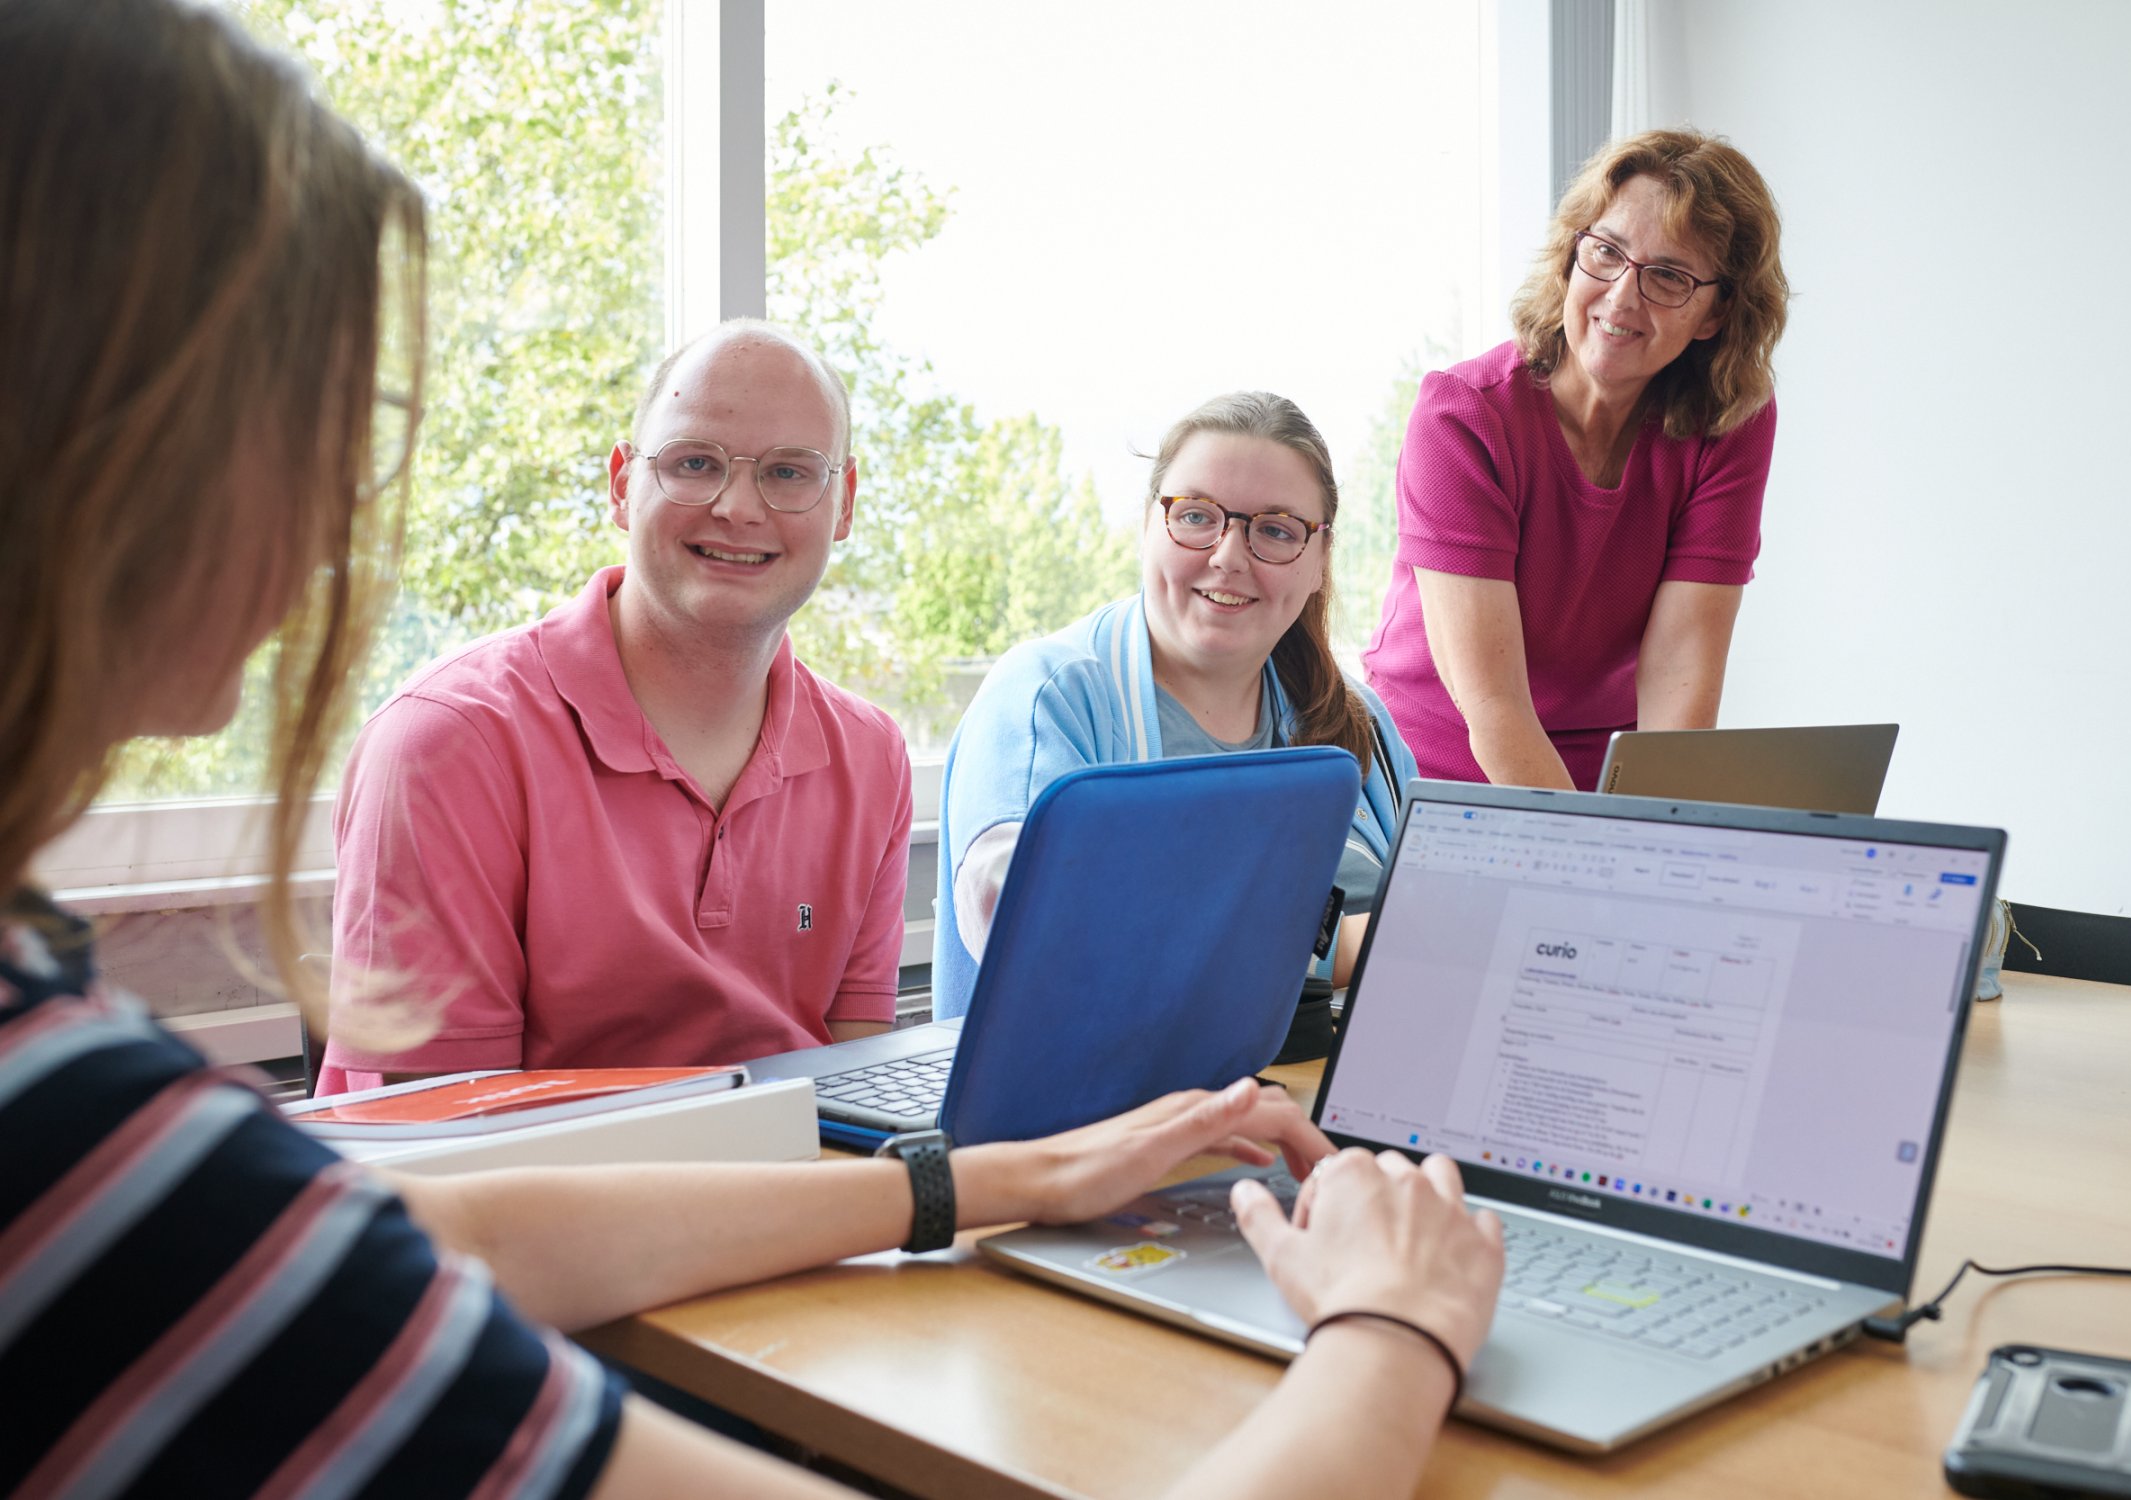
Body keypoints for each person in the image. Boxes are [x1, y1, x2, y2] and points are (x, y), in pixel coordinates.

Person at [0, 4, 1505, 1497]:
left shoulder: (78, 1067)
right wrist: (1395, 1326)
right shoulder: (92, 1135)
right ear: (99, 445)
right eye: (309, 420)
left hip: (800, 1267)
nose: (340, 511)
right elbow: (429, 1182)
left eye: (789, 472)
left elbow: (432, 1216)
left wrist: (1007, 1177)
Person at [316, 319, 912, 1093]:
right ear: (623, 486)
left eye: (790, 473)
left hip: (806, 1200)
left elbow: (853, 1096)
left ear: (844, 505)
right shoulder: (448, 745)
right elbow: (450, 1161)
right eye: (694, 463)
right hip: (529, 1206)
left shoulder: (872, 758)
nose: (737, 506)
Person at [935, 392, 1416, 1020]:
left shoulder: (1361, 724)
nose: (1227, 556)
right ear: (1148, 525)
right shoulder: (1050, 697)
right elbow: (1025, 918)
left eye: (1275, 530)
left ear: (1320, 561)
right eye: (1195, 516)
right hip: (1103, 1108)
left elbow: (1445, 914)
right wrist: (1342, 946)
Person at [1361, 128, 1790, 792]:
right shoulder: (1462, 417)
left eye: (1669, 276)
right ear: (1571, 254)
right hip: (1436, 769)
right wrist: (1589, 862)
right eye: (1607, 253)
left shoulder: (1730, 424)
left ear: (1715, 315)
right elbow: (1493, 704)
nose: (1622, 298)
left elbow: (1680, 678)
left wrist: (1650, 845)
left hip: (1598, 777)